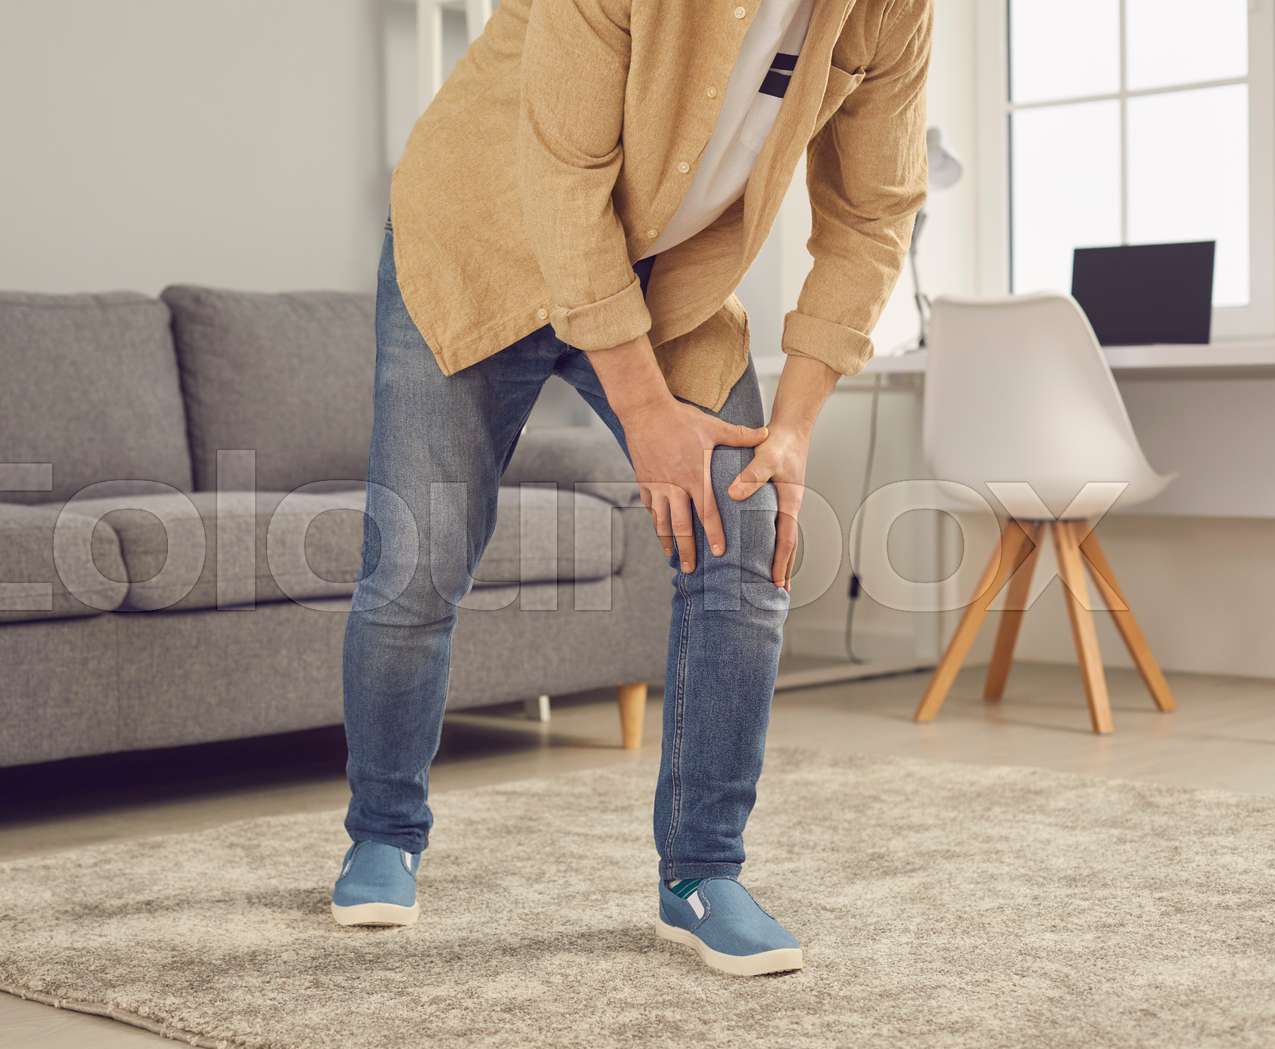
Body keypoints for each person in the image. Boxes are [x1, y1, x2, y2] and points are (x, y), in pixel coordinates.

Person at [330, 0, 931, 976]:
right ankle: (383, 829)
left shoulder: (895, 10)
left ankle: (701, 872)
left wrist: (792, 426)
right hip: (483, 235)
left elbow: (870, 214)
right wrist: (648, 416)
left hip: (668, 275)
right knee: (418, 560)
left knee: (740, 543)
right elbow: (563, 180)